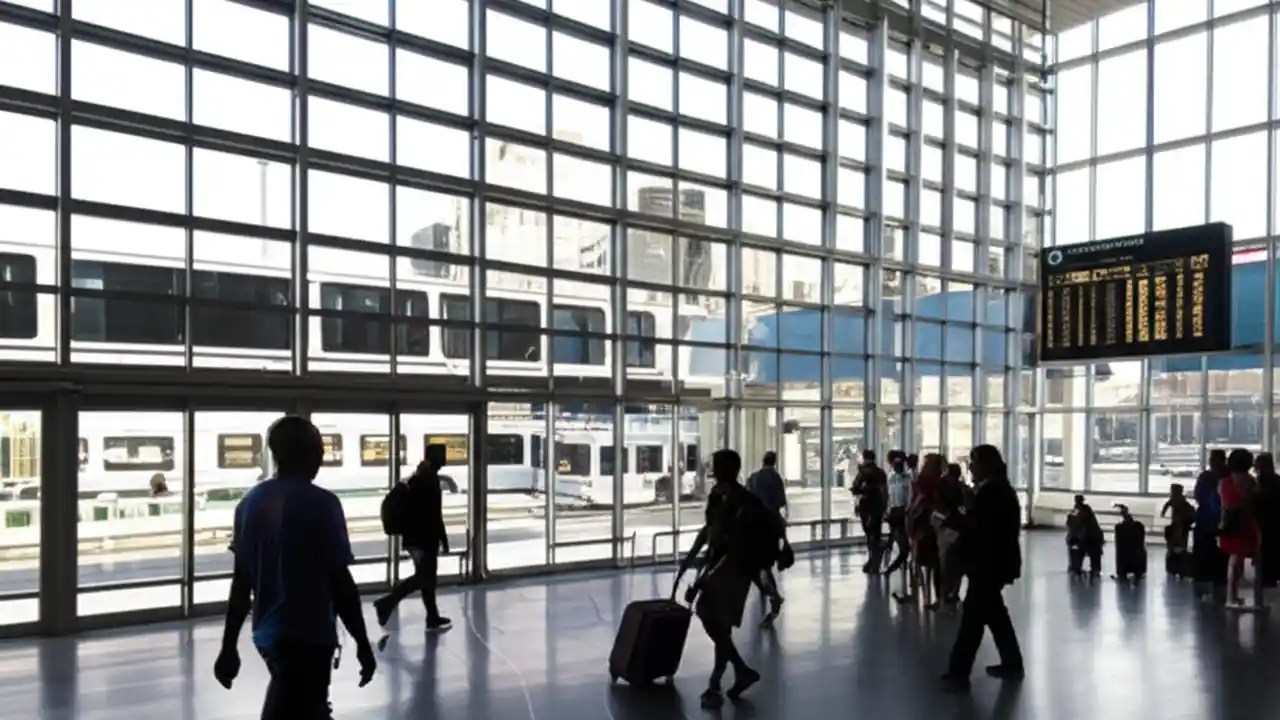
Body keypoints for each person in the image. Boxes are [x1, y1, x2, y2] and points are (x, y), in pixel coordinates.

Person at [214, 415, 376, 719]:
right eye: (318, 450)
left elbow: (241, 581)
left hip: (268, 636)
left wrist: (228, 647)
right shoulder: (323, 503)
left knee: (307, 707)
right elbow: (340, 582)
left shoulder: (250, 503)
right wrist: (363, 643)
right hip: (310, 636)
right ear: (307, 453)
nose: (322, 457)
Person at [677, 449, 763, 710]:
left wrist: (705, 574)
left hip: (733, 569)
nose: (713, 468)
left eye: (717, 465)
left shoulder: (739, 499)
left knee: (710, 616)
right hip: (722, 565)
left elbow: (733, 542)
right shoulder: (720, 495)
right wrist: (692, 557)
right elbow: (710, 529)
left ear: (729, 468)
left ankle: (724, 678)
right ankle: (724, 678)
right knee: (718, 624)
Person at [943, 444, 1024, 692]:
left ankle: (959, 670)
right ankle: (1011, 662)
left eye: (974, 462)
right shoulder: (998, 490)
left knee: (973, 617)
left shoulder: (993, 493)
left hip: (988, 563)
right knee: (994, 614)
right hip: (993, 563)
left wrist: (966, 511)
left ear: (986, 465)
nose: (971, 468)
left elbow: (983, 528)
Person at [374, 445, 453, 632]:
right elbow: (434, 514)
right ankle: (387, 602)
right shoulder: (429, 479)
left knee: (427, 578)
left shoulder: (418, 474)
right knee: (424, 577)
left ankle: (432, 616)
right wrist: (443, 538)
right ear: (435, 458)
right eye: (442, 455)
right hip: (424, 538)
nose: (445, 459)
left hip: (413, 536)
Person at [745, 451, 787, 626]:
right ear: (775, 462)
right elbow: (781, 501)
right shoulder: (776, 479)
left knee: (756, 564)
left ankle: (771, 593)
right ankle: (773, 594)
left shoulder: (753, 478)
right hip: (771, 526)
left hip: (754, 525)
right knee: (765, 563)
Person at [896, 453, 943, 605]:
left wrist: (909, 517)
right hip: (937, 525)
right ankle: (938, 596)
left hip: (920, 524)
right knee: (935, 563)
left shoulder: (918, 482)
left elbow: (911, 504)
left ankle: (923, 595)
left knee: (918, 558)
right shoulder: (941, 484)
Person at [1219, 448, 1259, 606]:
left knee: (1234, 560)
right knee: (1243, 560)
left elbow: (1224, 503)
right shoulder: (1249, 481)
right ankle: (1239, 596)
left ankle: (1232, 595)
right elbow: (1252, 500)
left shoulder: (1225, 482)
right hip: (1246, 523)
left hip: (1229, 523)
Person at [931, 463, 967, 609]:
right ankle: (952, 593)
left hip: (946, 528)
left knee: (944, 564)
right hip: (958, 529)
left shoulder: (942, 489)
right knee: (956, 564)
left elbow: (937, 508)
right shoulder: (962, 489)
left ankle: (943, 596)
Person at [1193, 449, 1228, 598]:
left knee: (1207, 547)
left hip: (1209, 518)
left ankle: (1205, 575)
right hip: (1217, 517)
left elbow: (1200, 495)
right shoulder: (1225, 477)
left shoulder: (1208, 477)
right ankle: (1214, 575)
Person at [851, 449, 888, 573]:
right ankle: (874, 560)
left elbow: (855, 489)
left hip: (866, 507)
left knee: (869, 535)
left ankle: (873, 559)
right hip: (877, 507)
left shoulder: (862, 472)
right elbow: (884, 492)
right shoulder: (880, 472)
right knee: (876, 534)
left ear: (865, 457)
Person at [883, 452, 913, 574]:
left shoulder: (907, 478)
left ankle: (900, 563)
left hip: (902, 511)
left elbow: (908, 495)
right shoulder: (891, 477)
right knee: (892, 538)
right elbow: (889, 494)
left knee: (900, 538)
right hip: (894, 511)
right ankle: (887, 562)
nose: (897, 467)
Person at [1254, 453, 1280, 588]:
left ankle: (1266, 578)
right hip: (1274, 521)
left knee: (1264, 551)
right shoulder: (1276, 480)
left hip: (1263, 521)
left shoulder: (1261, 481)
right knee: (1273, 550)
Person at [1160, 483, 1195, 578]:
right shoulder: (1183, 501)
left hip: (1176, 526)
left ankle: (1174, 566)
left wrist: (1162, 514)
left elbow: (1166, 506)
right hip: (1184, 526)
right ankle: (1181, 567)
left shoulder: (1174, 500)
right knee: (1182, 545)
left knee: (1173, 546)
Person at [1065, 494, 1104, 576]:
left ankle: (1075, 567)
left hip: (1085, 539)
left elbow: (1072, 523)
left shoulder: (1078, 510)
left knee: (1074, 546)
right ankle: (1095, 568)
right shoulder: (1087, 509)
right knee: (1093, 552)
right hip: (1094, 538)